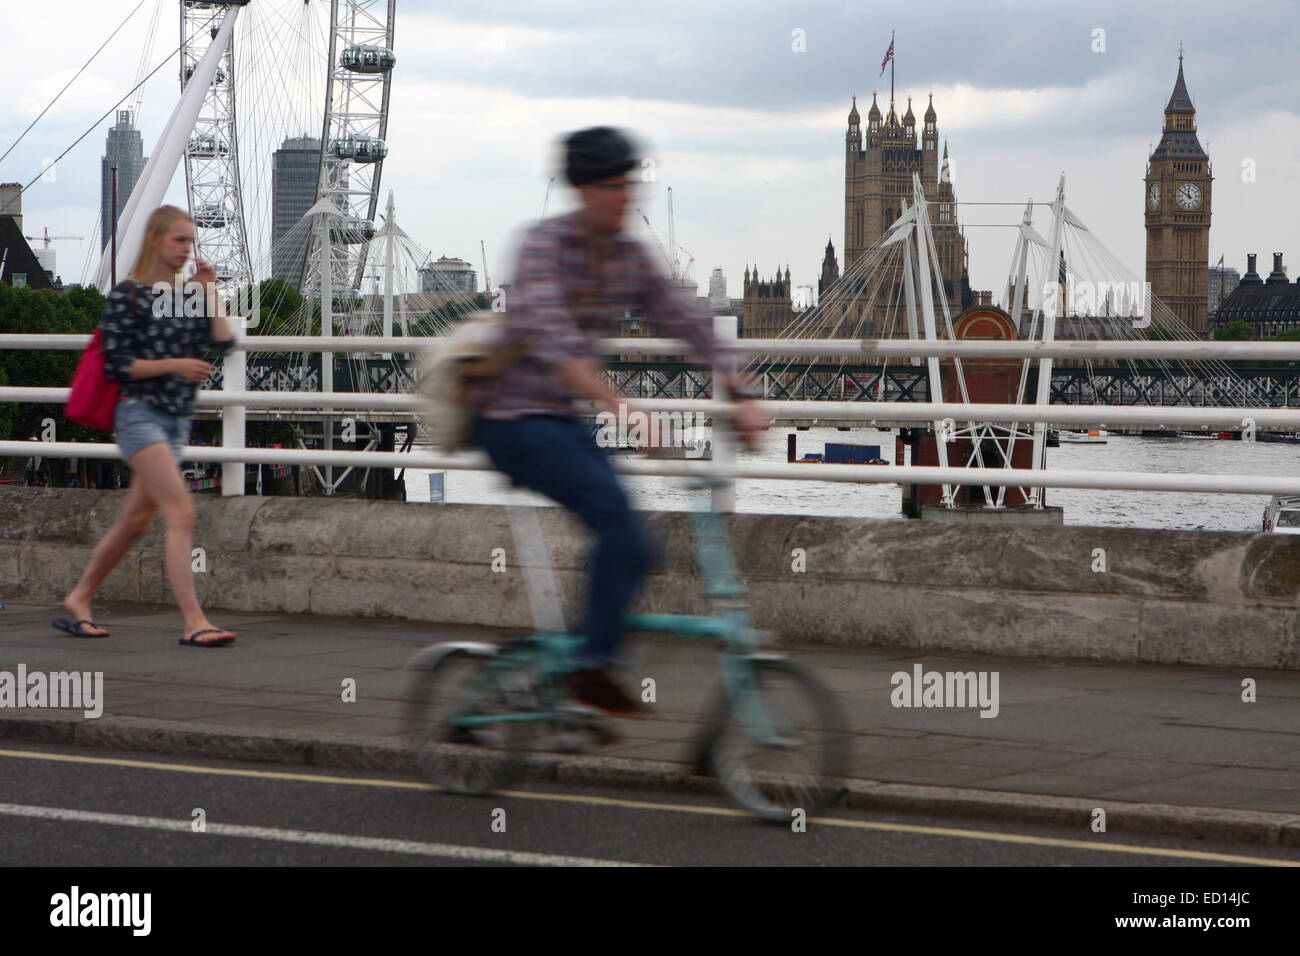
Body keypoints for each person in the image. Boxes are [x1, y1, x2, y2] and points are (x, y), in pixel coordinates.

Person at [472, 126, 765, 714]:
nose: (624, 197)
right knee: (615, 519)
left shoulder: (629, 254)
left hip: (563, 420)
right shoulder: (542, 247)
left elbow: (686, 319)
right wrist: (624, 408)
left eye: (630, 185)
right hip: (510, 418)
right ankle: (589, 664)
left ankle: (582, 653)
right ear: (581, 190)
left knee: (636, 544)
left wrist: (737, 385)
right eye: (611, 187)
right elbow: (555, 346)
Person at [53, 205, 238, 646]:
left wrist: (209, 292)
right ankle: (194, 621)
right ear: (154, 239)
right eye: (178, 240)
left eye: (190, 242)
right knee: (182, 512)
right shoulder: (126, 296)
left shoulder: (187, 295)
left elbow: (225, 342)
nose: (185, 250)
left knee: (135, 521)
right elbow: (119, 366)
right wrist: (177, 364)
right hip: (139, 417)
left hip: (177, 422)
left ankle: (79, 598)